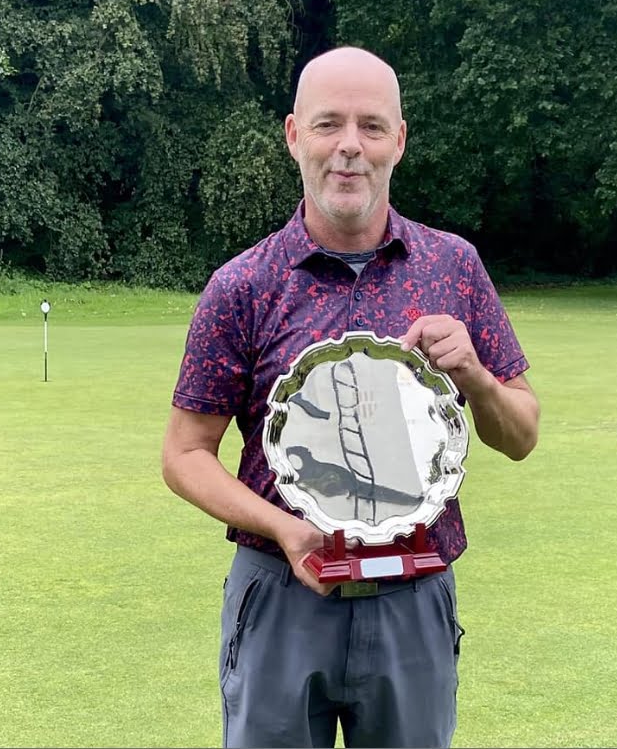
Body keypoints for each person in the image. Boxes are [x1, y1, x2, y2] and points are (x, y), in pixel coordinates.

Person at [161, 46, 539, 749]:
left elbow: (521, 434)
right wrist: (283, 528)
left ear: (399, 139)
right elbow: (184, 454)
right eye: (329, 124)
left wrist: (478, 379)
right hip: (281, 592)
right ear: (293, 135)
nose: (349, 148)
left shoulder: (454, 266)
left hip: (414, 594)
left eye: (370, 126)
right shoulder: (242, 286)